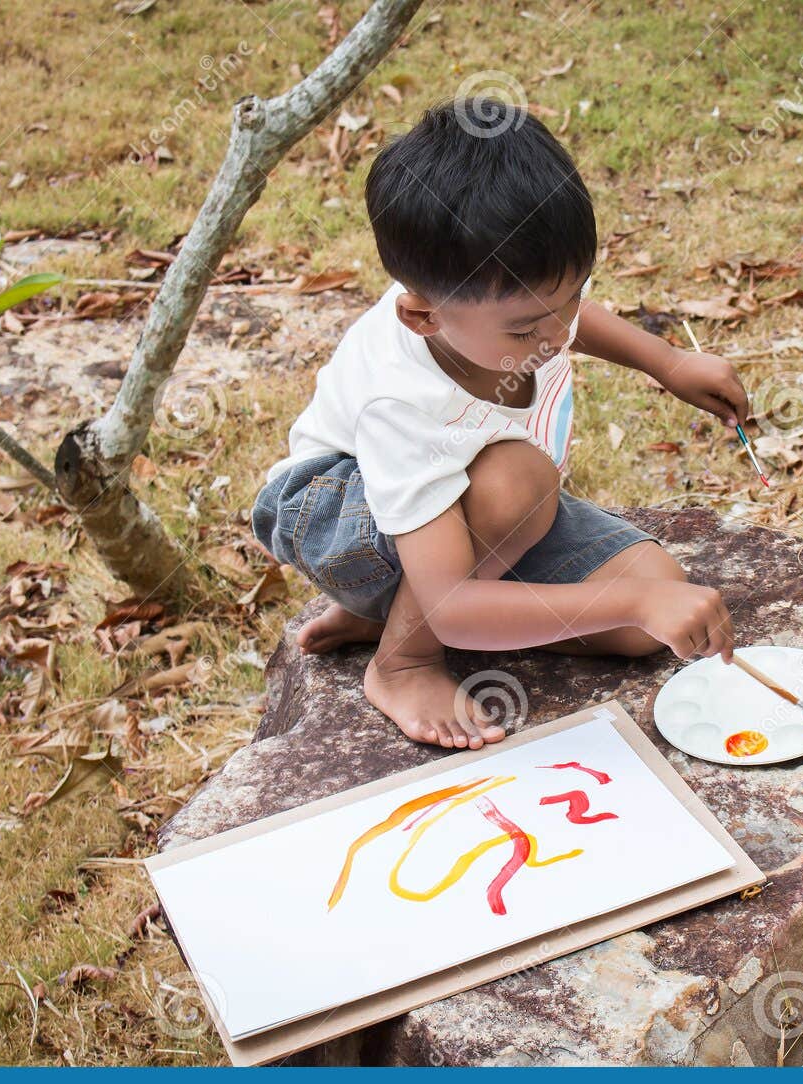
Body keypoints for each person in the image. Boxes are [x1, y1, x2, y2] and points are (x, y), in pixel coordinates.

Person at [254, 98, 748, 750]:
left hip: (470, 501)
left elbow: (559, 314)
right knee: (522, 487)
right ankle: (403, 659)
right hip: (335, 511)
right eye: (526, 327)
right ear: (424, 318)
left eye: (569, 297)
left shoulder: (507, 305)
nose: (557, 333)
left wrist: (669, 361)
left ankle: (398, 611)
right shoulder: (399, 401)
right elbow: (456, 600)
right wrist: (448, 613)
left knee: (656, 604)